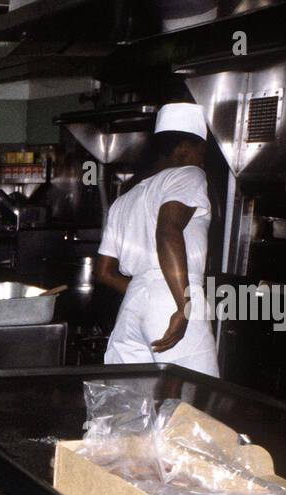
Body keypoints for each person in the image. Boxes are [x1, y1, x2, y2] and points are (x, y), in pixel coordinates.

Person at [94, 101, 220, 377]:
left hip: (132, 304)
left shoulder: (126, 197)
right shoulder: (190, 175)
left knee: (128, 402)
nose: (202, 159)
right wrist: (182, 306)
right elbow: (168, 231)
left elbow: (103, 272)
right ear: (185, 148)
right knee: (196, 403)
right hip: (175, 294)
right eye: (202, 151)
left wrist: (146, 295)